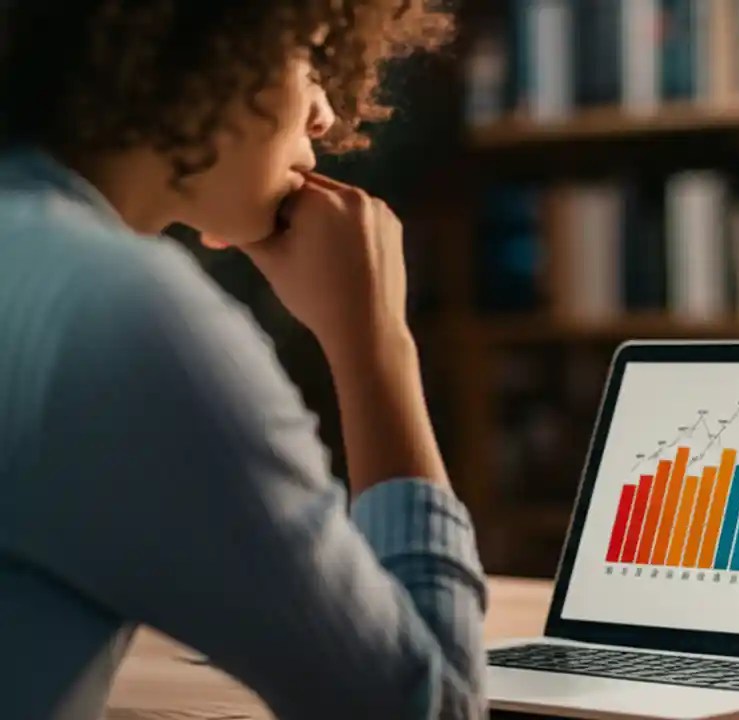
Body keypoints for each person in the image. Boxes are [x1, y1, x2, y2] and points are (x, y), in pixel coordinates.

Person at [0, 2, 487, 718]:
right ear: (209, 41)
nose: (324, 113)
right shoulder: (124, 317)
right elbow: (424, 710)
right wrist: (375, 345)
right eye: (313, 54)